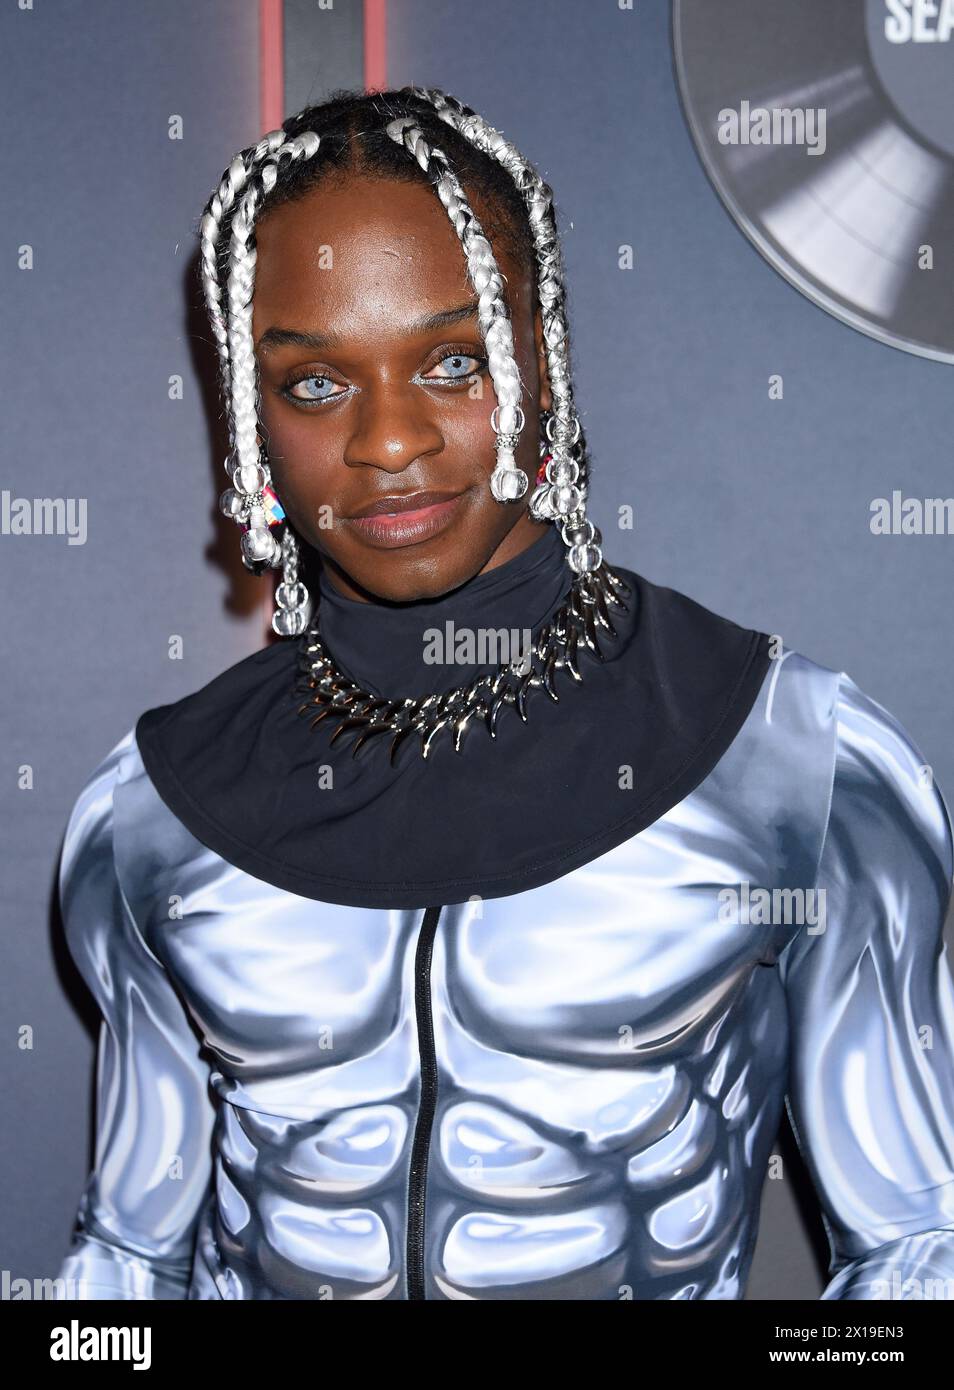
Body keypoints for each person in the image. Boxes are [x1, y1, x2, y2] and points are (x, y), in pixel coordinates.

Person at [52, 87, 954, 1301]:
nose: (388, 440)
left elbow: (917, 1254)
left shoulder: (796, 763)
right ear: (249, 422)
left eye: (452, 362)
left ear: (544, 362)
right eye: (316, 384)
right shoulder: (151, 815)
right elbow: (128, 1268)